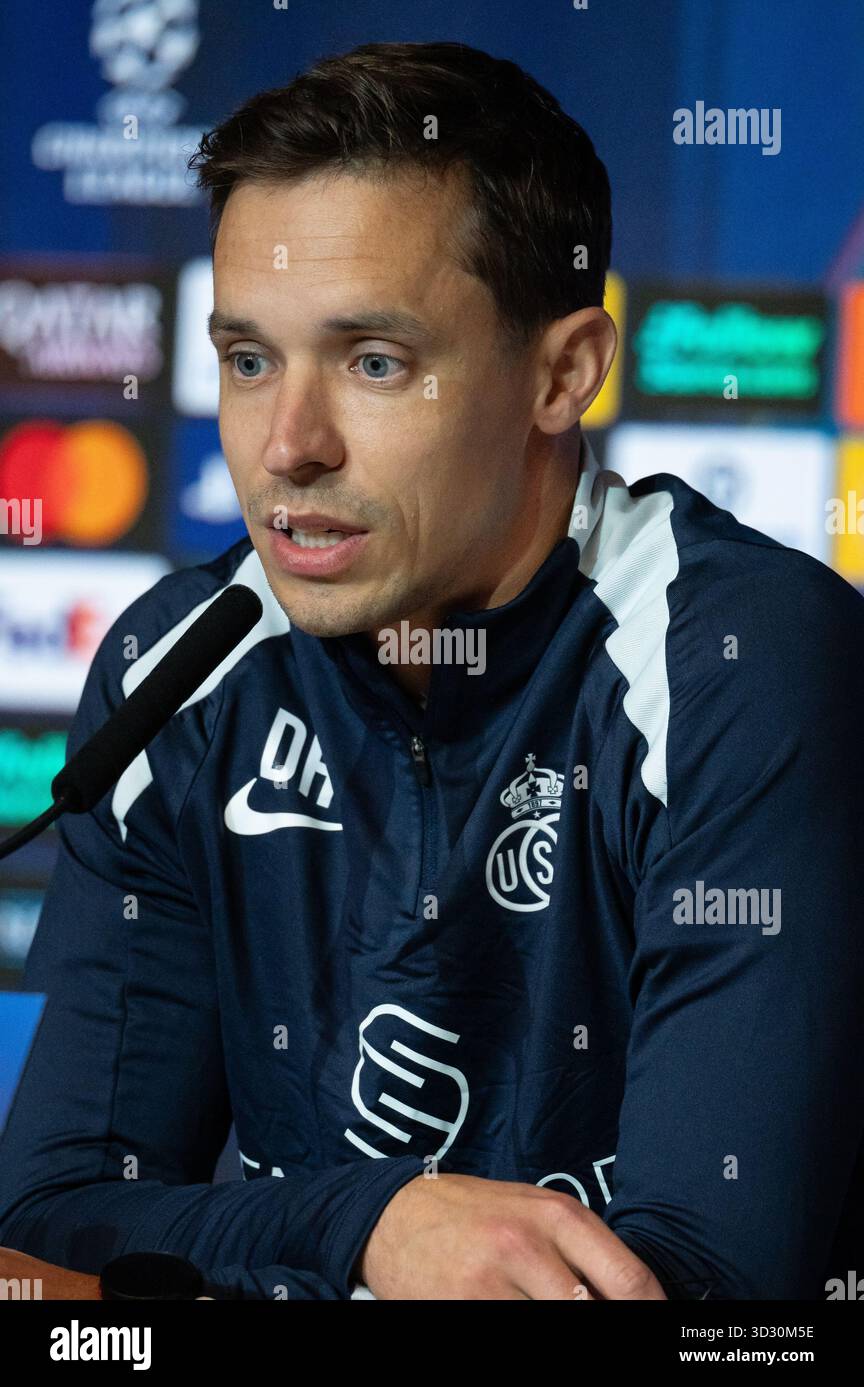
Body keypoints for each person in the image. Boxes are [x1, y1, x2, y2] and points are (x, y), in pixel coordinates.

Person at [1, 40, 863, 1301]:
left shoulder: (742, 661)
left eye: (374, 362)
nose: (286, 447)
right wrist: (372, 1228)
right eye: (248, 360)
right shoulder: (174, 670)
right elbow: (47, 1233)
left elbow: (704, 1302)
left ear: (562, 373)